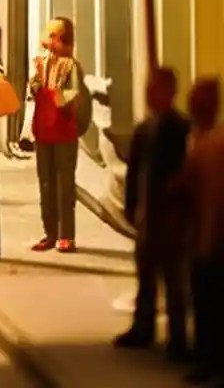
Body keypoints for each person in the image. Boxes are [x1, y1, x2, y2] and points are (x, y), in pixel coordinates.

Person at [115, 67, 191, 361]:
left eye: (155, 88)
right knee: (146, 273)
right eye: (148, 87)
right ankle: (143, 328)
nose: (149, 93)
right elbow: (135, 173)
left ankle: (178, 338)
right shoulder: (144, 129)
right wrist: (132, 207)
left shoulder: (179, 127)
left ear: (170, 93)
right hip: (148, 215)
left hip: (169, 216)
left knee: (173, 278)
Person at [21, 17, 87, 253]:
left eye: (52, 36)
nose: (47, 41)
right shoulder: (42, 63)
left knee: (63, 184)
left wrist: (53, 94)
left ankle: (66, 234)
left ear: (63, 41)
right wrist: (36, 83)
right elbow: (33, 91)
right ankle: (49, 231)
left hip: (63, 132)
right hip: (44, 131)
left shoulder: (70, 66)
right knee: (46, 183)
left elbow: (72, 97)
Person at [182, 78, 222, 383]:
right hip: (203, 236)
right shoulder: (200, 139)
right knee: (205, 301)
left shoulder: (212, 145)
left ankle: (211, 359)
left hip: (211, 239)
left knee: (210, 301)